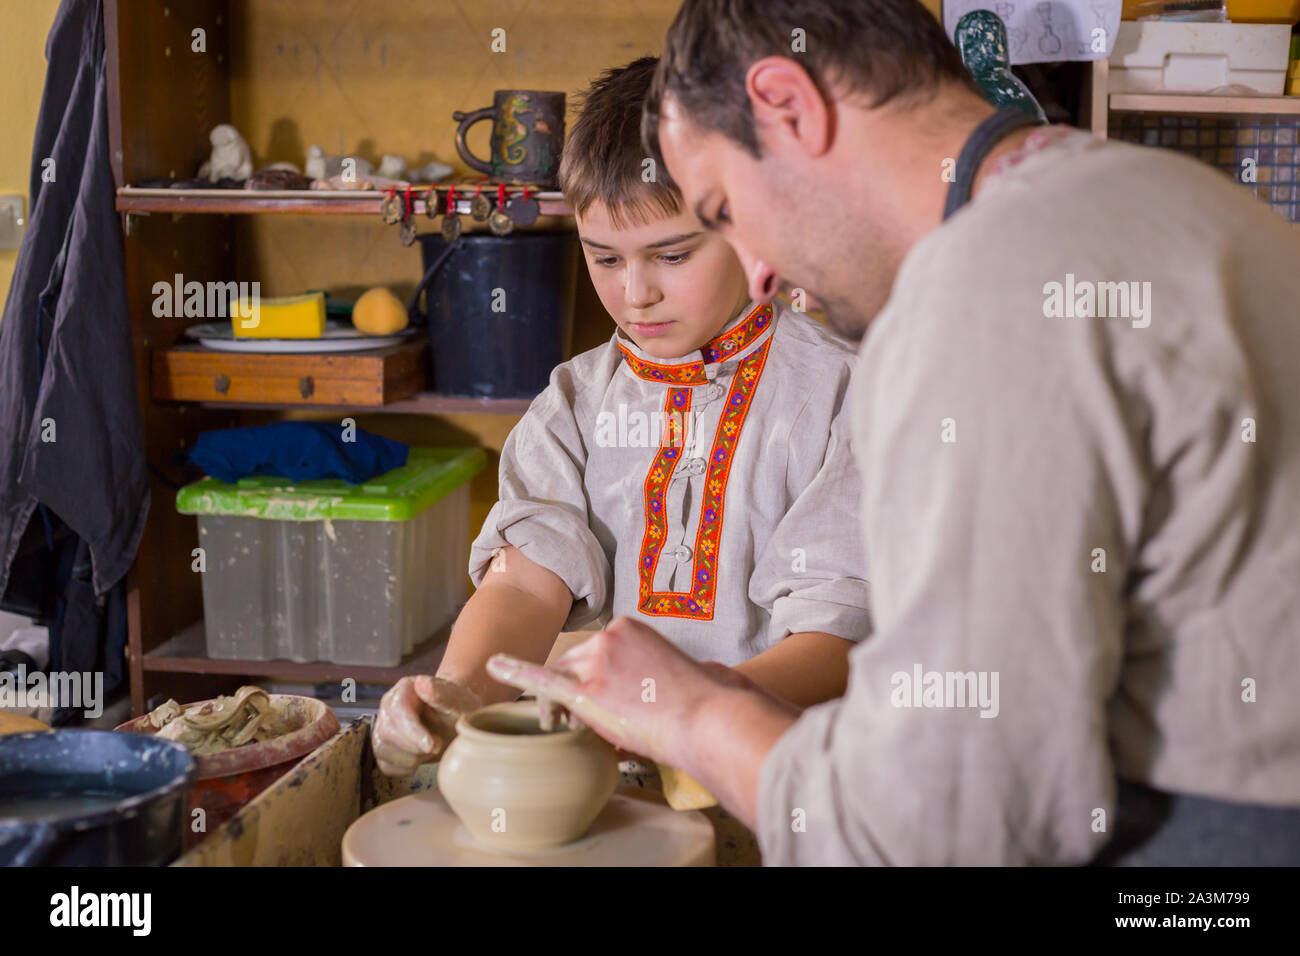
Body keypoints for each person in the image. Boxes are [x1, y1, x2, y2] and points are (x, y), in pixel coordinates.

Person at [486, 0, 1300, 865]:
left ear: (789, 104)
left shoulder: (983, 297)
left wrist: (690, 715)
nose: (759, 273)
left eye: (727, 210)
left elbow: (946, 821)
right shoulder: (1158, 194)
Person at [372, 57, 871, 778]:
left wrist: (690, 714)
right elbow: (523, 582)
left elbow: (838, 636)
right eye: (604, 258)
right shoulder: (576, 402)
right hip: (620, 765)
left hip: (785, 775)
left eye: (672, 255)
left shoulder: (838, 392)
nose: (635, 293)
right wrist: (456, 691)